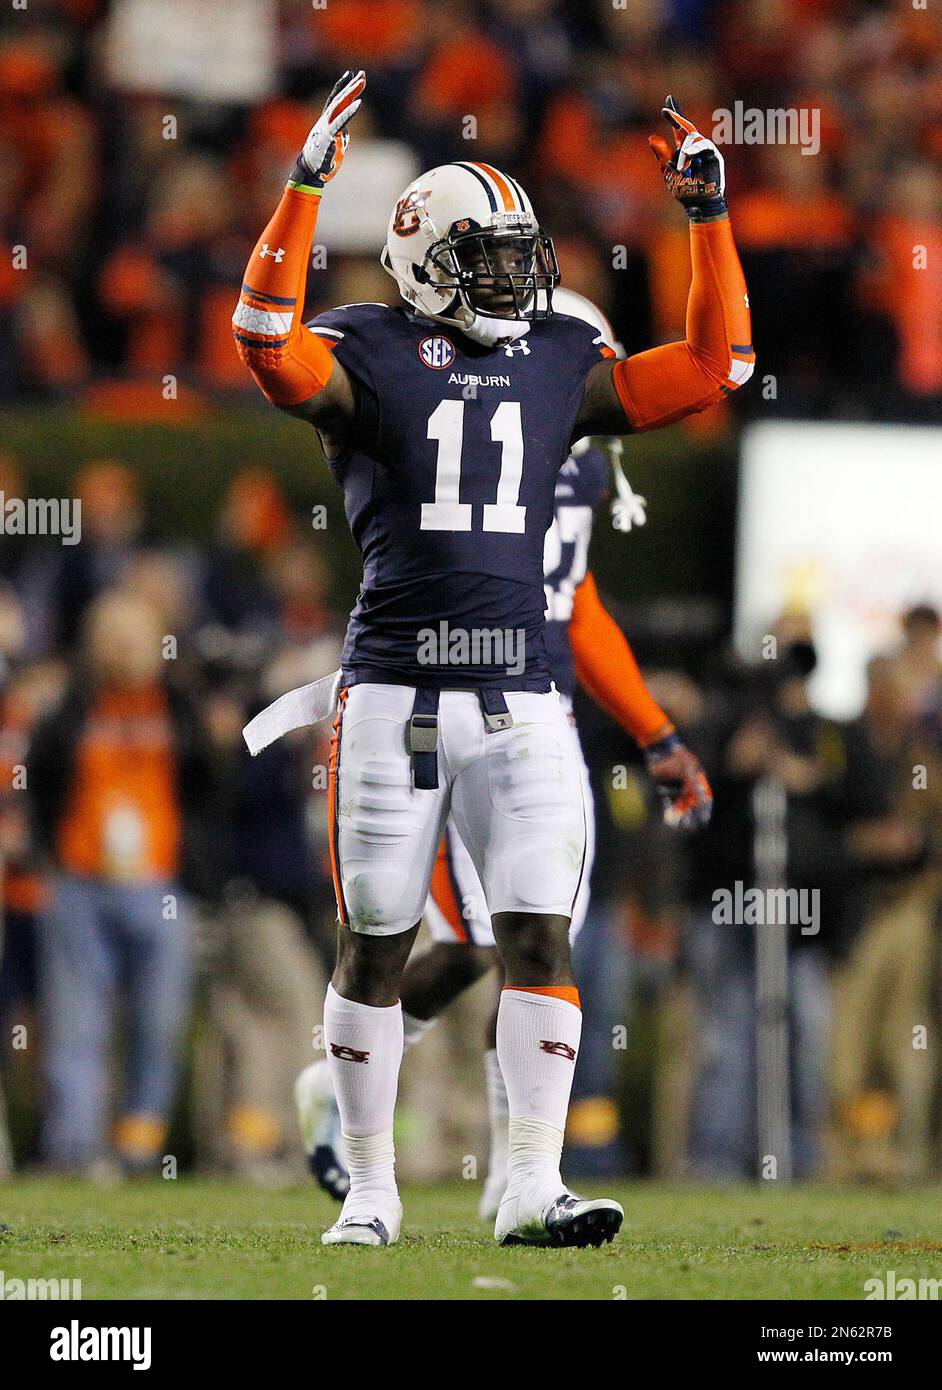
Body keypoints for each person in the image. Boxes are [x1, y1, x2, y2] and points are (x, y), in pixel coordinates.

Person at [234, 71, 753, 1247]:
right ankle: (370, 1188)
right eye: (488, 255)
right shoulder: (365, 349)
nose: (517, 278)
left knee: (532, 932)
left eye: (523, 253)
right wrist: (306, 189)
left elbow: (718, 366)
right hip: (396, 695)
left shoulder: (561, 351)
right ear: (421, 259)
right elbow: (264, 338)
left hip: (525, 694)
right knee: (376, 942)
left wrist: (707, 220)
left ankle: (530, 1182)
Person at [294, 290, 713, 1216]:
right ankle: (354, 1088)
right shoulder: (457, 409)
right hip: (431, 701)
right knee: (466, 940)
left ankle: (516, 1180)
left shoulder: (581, 463)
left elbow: (579, 600)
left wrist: (654, 730)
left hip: (536, 709)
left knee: (530, 935)